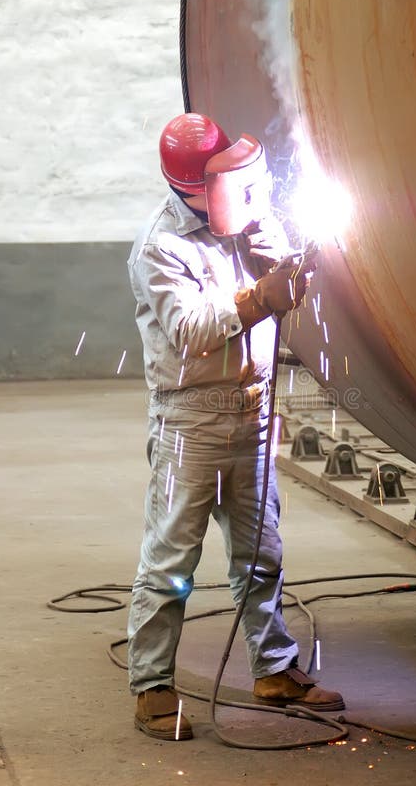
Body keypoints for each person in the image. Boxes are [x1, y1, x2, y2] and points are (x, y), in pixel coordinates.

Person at [127, 112, 344, 741]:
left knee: (261, 555)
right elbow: (192, 331)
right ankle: (152, 685)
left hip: (252, 408)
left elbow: (281, 263)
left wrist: (283, 260)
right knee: (171, 562)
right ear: (194, 188)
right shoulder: (160, 247)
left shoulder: (245, 213)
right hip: (190, 421)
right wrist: (256, 299)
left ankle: (273, 669)